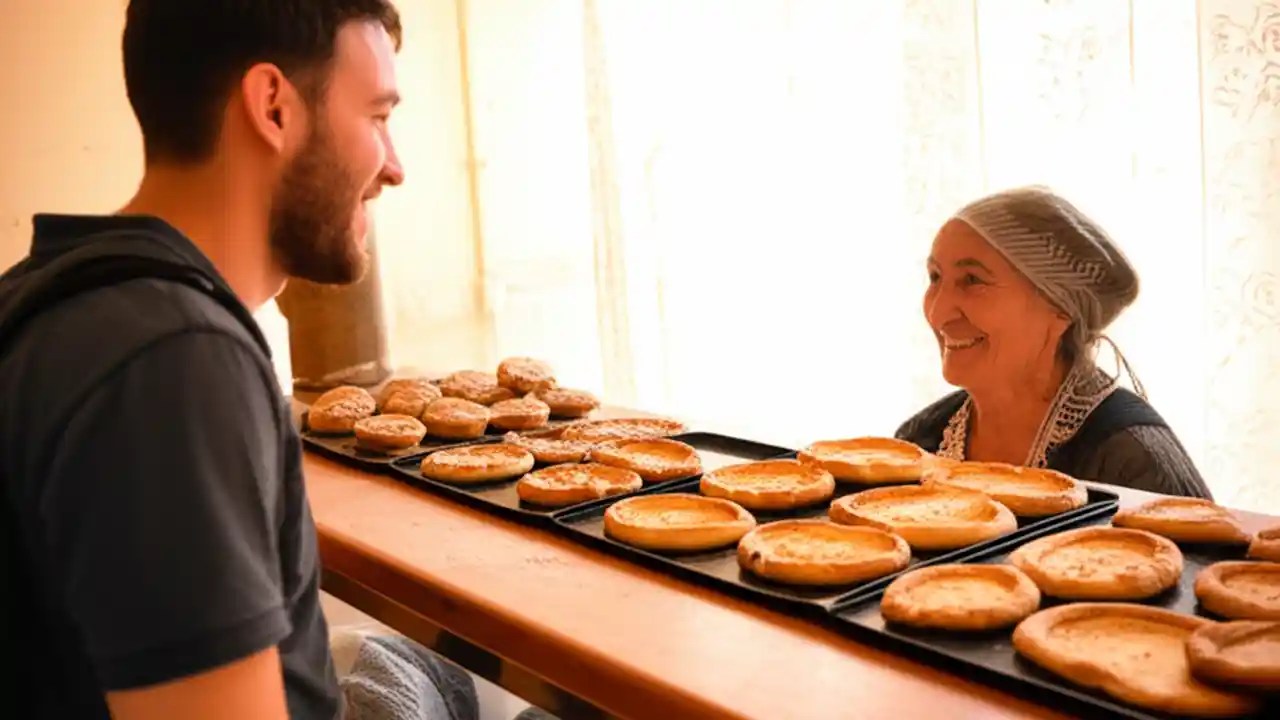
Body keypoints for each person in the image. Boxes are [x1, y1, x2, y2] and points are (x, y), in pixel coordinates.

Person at [0, 1, 479, 718]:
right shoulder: (170, 364)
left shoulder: (50, 294)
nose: (395, 167)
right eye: (377, 117)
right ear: (273, 107)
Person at [896, 186, 1212, 499]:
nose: (938, 313)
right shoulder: (920, 442)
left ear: (1059, 305)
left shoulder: (1132, 460)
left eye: (973, 280)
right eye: (935, 277)